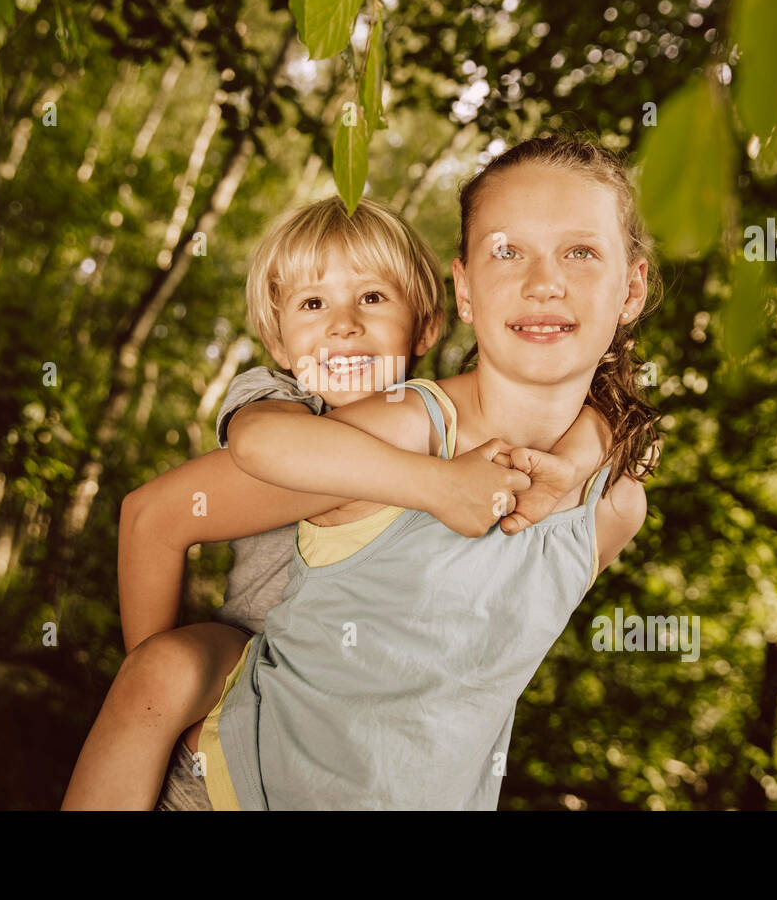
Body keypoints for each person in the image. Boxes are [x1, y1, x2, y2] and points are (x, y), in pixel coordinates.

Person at [62, 189, 613, 810]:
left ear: (426, 325)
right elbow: (239, 457)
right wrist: (168, 710)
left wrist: (582, 451)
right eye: (312, 302)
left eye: (373, 298)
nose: (342, 323)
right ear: (278, 341)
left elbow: (605, 423)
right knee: (160, 671)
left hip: (354, 723)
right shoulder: (286, 402)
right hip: (247, 653)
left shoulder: (444, 421)